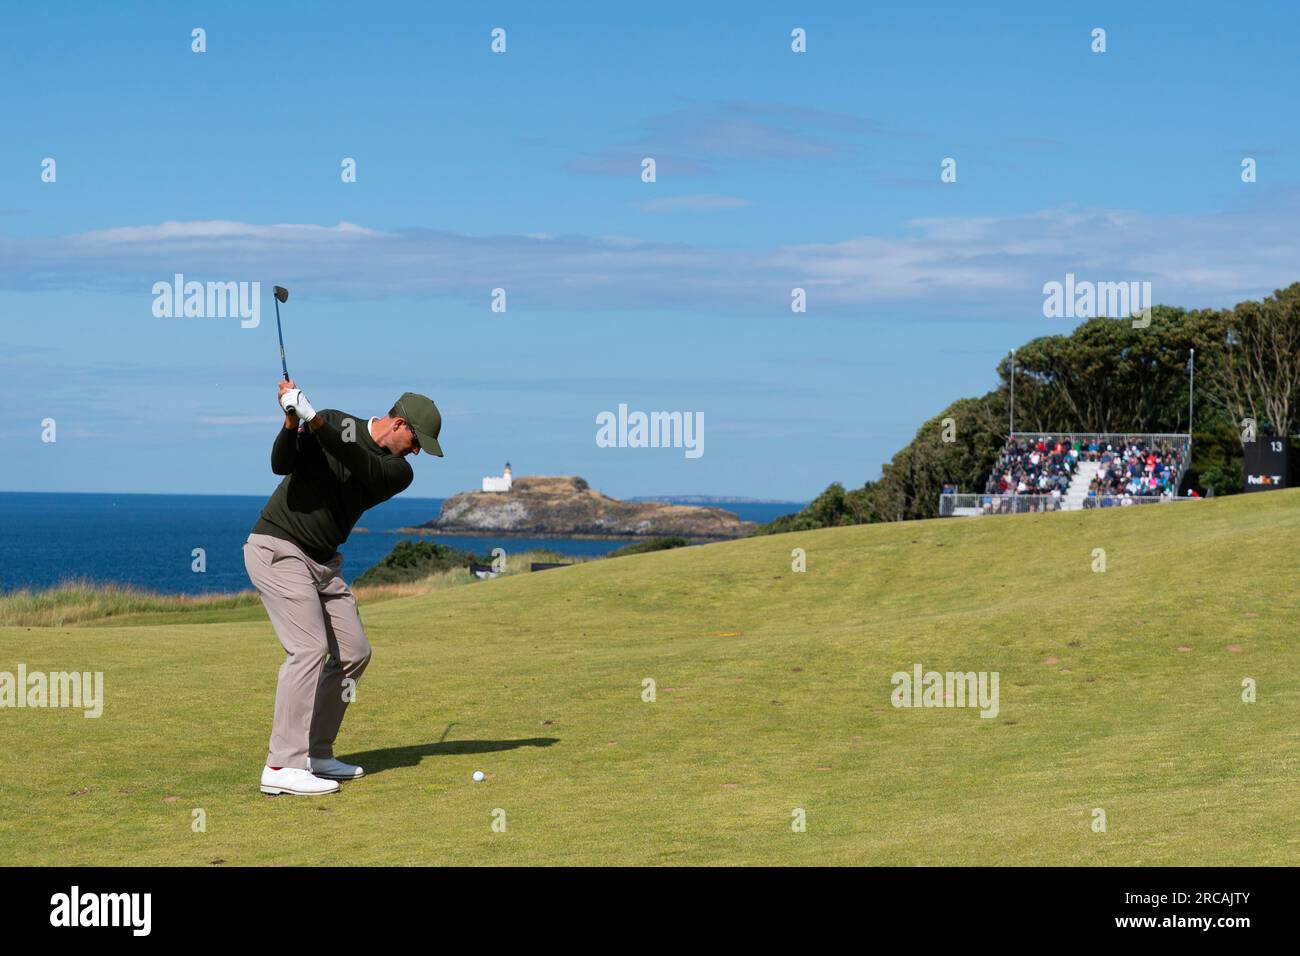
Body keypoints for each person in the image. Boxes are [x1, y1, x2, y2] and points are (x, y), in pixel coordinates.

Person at [244, 380, 444, 796]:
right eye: (416, 440)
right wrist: (289, 421)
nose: (417, 451)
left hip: (323, 563)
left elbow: (359, 462)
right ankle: (282, 763)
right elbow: (281, 465)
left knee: (354, 653)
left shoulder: (397, 472)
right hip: (278, 547)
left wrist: (312, 419)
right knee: (309, 650)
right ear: (399, 424)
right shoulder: (333, 421)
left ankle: (316, 753)